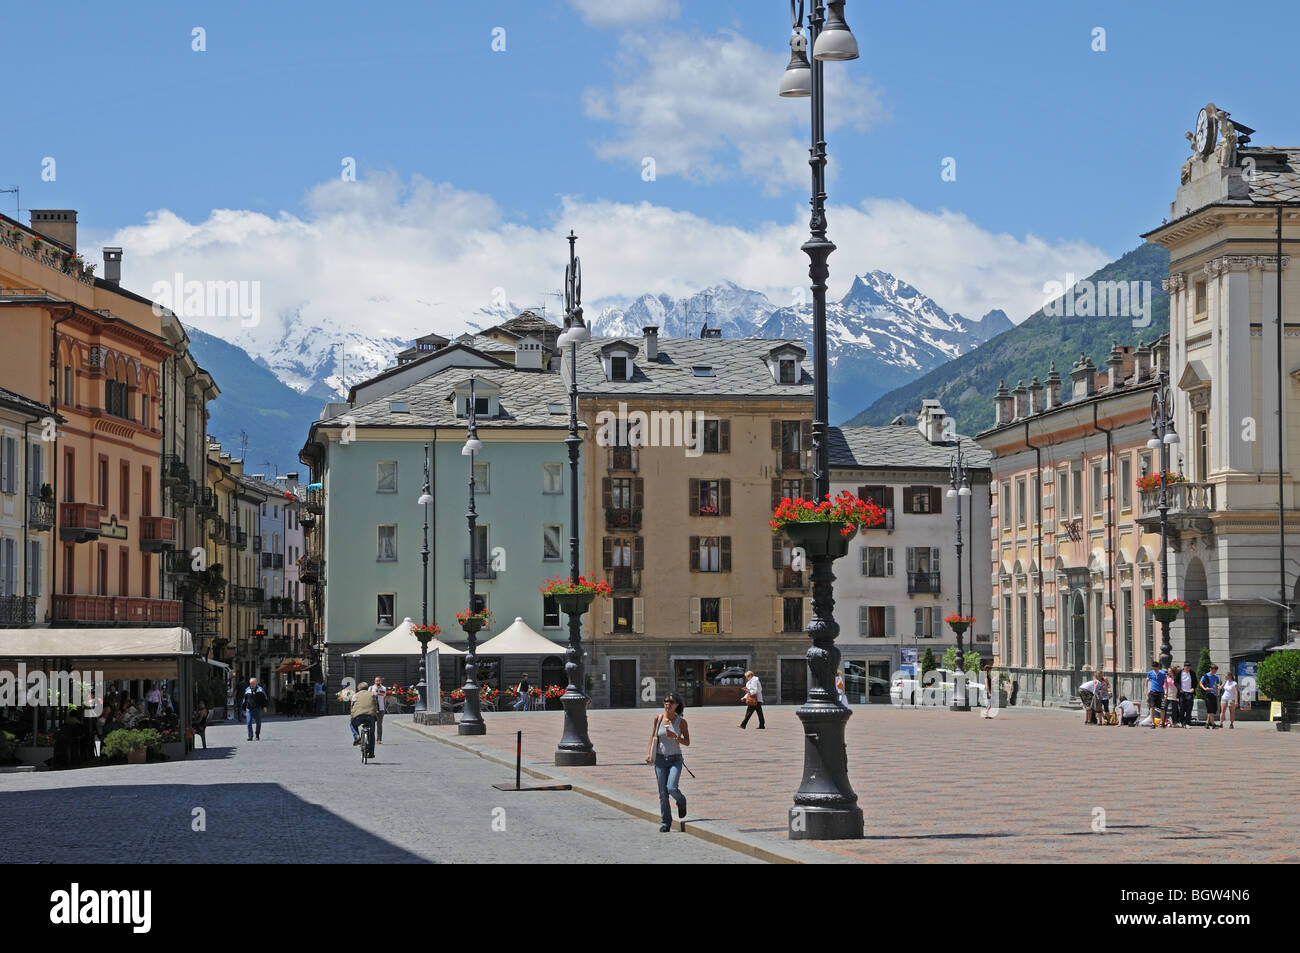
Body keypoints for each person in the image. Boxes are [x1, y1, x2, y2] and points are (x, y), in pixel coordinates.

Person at [644, 693, 689, 832]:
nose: (667, 704)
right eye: (665, 701)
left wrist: (675, 736)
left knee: (671, 788)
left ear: (677, 705)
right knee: (663, 793)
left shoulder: (681, 722)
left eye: (671, 701)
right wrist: (649, 753)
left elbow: (687, 742)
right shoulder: (658, 719)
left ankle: (681, 801)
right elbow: (653, 737)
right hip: (660, 760)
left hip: (675, 759)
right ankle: (666, 823)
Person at [350, 681, 379, 757]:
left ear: (359, 688)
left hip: (358, 716)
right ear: (367, 688)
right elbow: (376, 704)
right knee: (372, 733)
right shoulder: (373, 694)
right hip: (370, 716)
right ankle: (371, 753)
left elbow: (352, 706)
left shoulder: (355, 695)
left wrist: (352, 715)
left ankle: (357, 737)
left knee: (352, 724)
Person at [1200, 663, 1221, 729]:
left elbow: (1217, 685)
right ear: (1210, 669)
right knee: (1210, 709)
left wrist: (1218, 688)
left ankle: (1207, 723)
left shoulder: (1216, 676)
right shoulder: (1206, 676)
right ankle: (1213, 724)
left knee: (1213, 709)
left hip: (1214, 694)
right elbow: (1200, 683)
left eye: (1215, 671)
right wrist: (1204, 688)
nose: (1214, 672)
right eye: (1213, 671)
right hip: (1208, 694)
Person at [1146, 661, 1165, 730]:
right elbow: (1147, 680)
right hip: (1153, 692)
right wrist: (1147, 690)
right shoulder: (1150, 673)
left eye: (1156, 669)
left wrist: (1166, 692)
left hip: (1161, 692)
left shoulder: (1162, 673)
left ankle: (1162, 722)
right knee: (1152, 707)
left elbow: (1165, 682)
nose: (1155, 670)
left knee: (1162, 708)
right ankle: (1153, 723)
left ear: (1158, 668)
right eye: (1153, 669)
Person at [370, 676, 386, 744]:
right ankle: (371, 738)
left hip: (381, 709)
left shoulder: (384, 688)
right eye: (376, 681)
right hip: (373, 709)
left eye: (379, 681)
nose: (378, 682)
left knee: (379, 725)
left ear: (381, 681)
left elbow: (383, 697)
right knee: (372, 724)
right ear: (374, 681)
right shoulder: (371, 688)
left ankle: (379, 739)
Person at [1180, 661, 1196, 726]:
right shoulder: (1180, 673)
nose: (1187, 669)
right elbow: (1176, 681)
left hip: (1189, 692)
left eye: (1189, 668)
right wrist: (1179, 689)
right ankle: (1182, 721)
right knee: (1182, 708)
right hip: (1182, 692)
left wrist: (1193, 688)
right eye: (1186, 668)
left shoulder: (1192, 673)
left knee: (1189, 708)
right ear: (1184, 667)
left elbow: (1195, 681)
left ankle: (1188, 721)